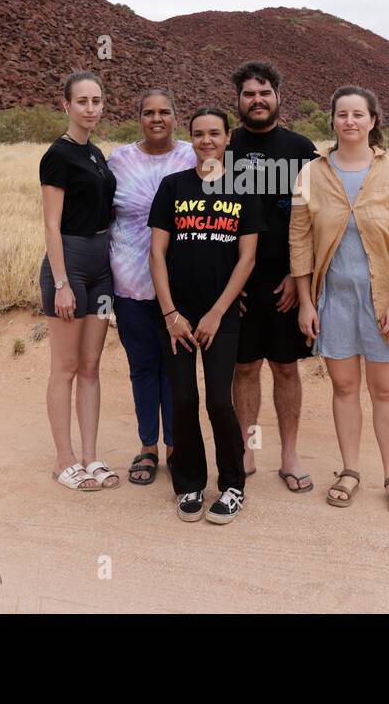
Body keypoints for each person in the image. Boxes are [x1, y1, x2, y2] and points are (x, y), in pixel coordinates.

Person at [290, 86, 389, 514]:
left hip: (385, 298)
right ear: (332, 121)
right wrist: (305, 302)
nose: (350, 121)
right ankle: (349, 470)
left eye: (358, 114)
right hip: (332, 298)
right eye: (342, 114)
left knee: (384, 390)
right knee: (344, 386)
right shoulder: (311, 174)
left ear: (372, 121)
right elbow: (299, 241)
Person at [148, 107, 264, 524]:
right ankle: (190, 483)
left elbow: (247, 258)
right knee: (182, 399)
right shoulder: (173, 186)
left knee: (218, 400)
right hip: (177, 315)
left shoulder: (243, 189)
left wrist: (217, 312)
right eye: (198, 134)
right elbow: (156, 254)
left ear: (228, 137)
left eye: (215, 133)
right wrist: (170, 313)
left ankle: (232, 485)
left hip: (221, 315)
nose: (206, 141)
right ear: (190, 138)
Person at [226, 61, 320, 493]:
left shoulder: (302, 149)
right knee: (244, 368)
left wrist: (298, 279)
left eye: (264, 92)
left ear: (278, 96)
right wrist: (228, 282)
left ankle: (289, 455)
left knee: (285, 368)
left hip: (287, 281)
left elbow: (319, 221)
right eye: (249, 94)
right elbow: (211, 219)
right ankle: (244, 451)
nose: (257, 100)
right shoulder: (224, 149)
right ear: (238, 100)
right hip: (238, 284)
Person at [106, 89, 194, 485]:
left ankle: (176, 445)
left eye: (164, 112)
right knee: (142, 367)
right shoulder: (119, 159)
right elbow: (103, 214)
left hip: (181, 289)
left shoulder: (193, 156)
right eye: (148, 112)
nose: (156, 118)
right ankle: (148, 446)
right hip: (129, 283)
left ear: (176, 116)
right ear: (138, 116)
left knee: (176, 370)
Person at [39, 71, 120, 492]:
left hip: (102, 271)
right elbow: (51, 225)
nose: (91, 108)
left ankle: (90, 455)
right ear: (66, 105)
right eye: (82, 101)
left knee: (91, 366)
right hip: (69, 267)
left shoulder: (97, 155)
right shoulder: (58, 155)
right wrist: (62, 283)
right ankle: (64, 458)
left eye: (97, 101)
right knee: (66, 367)